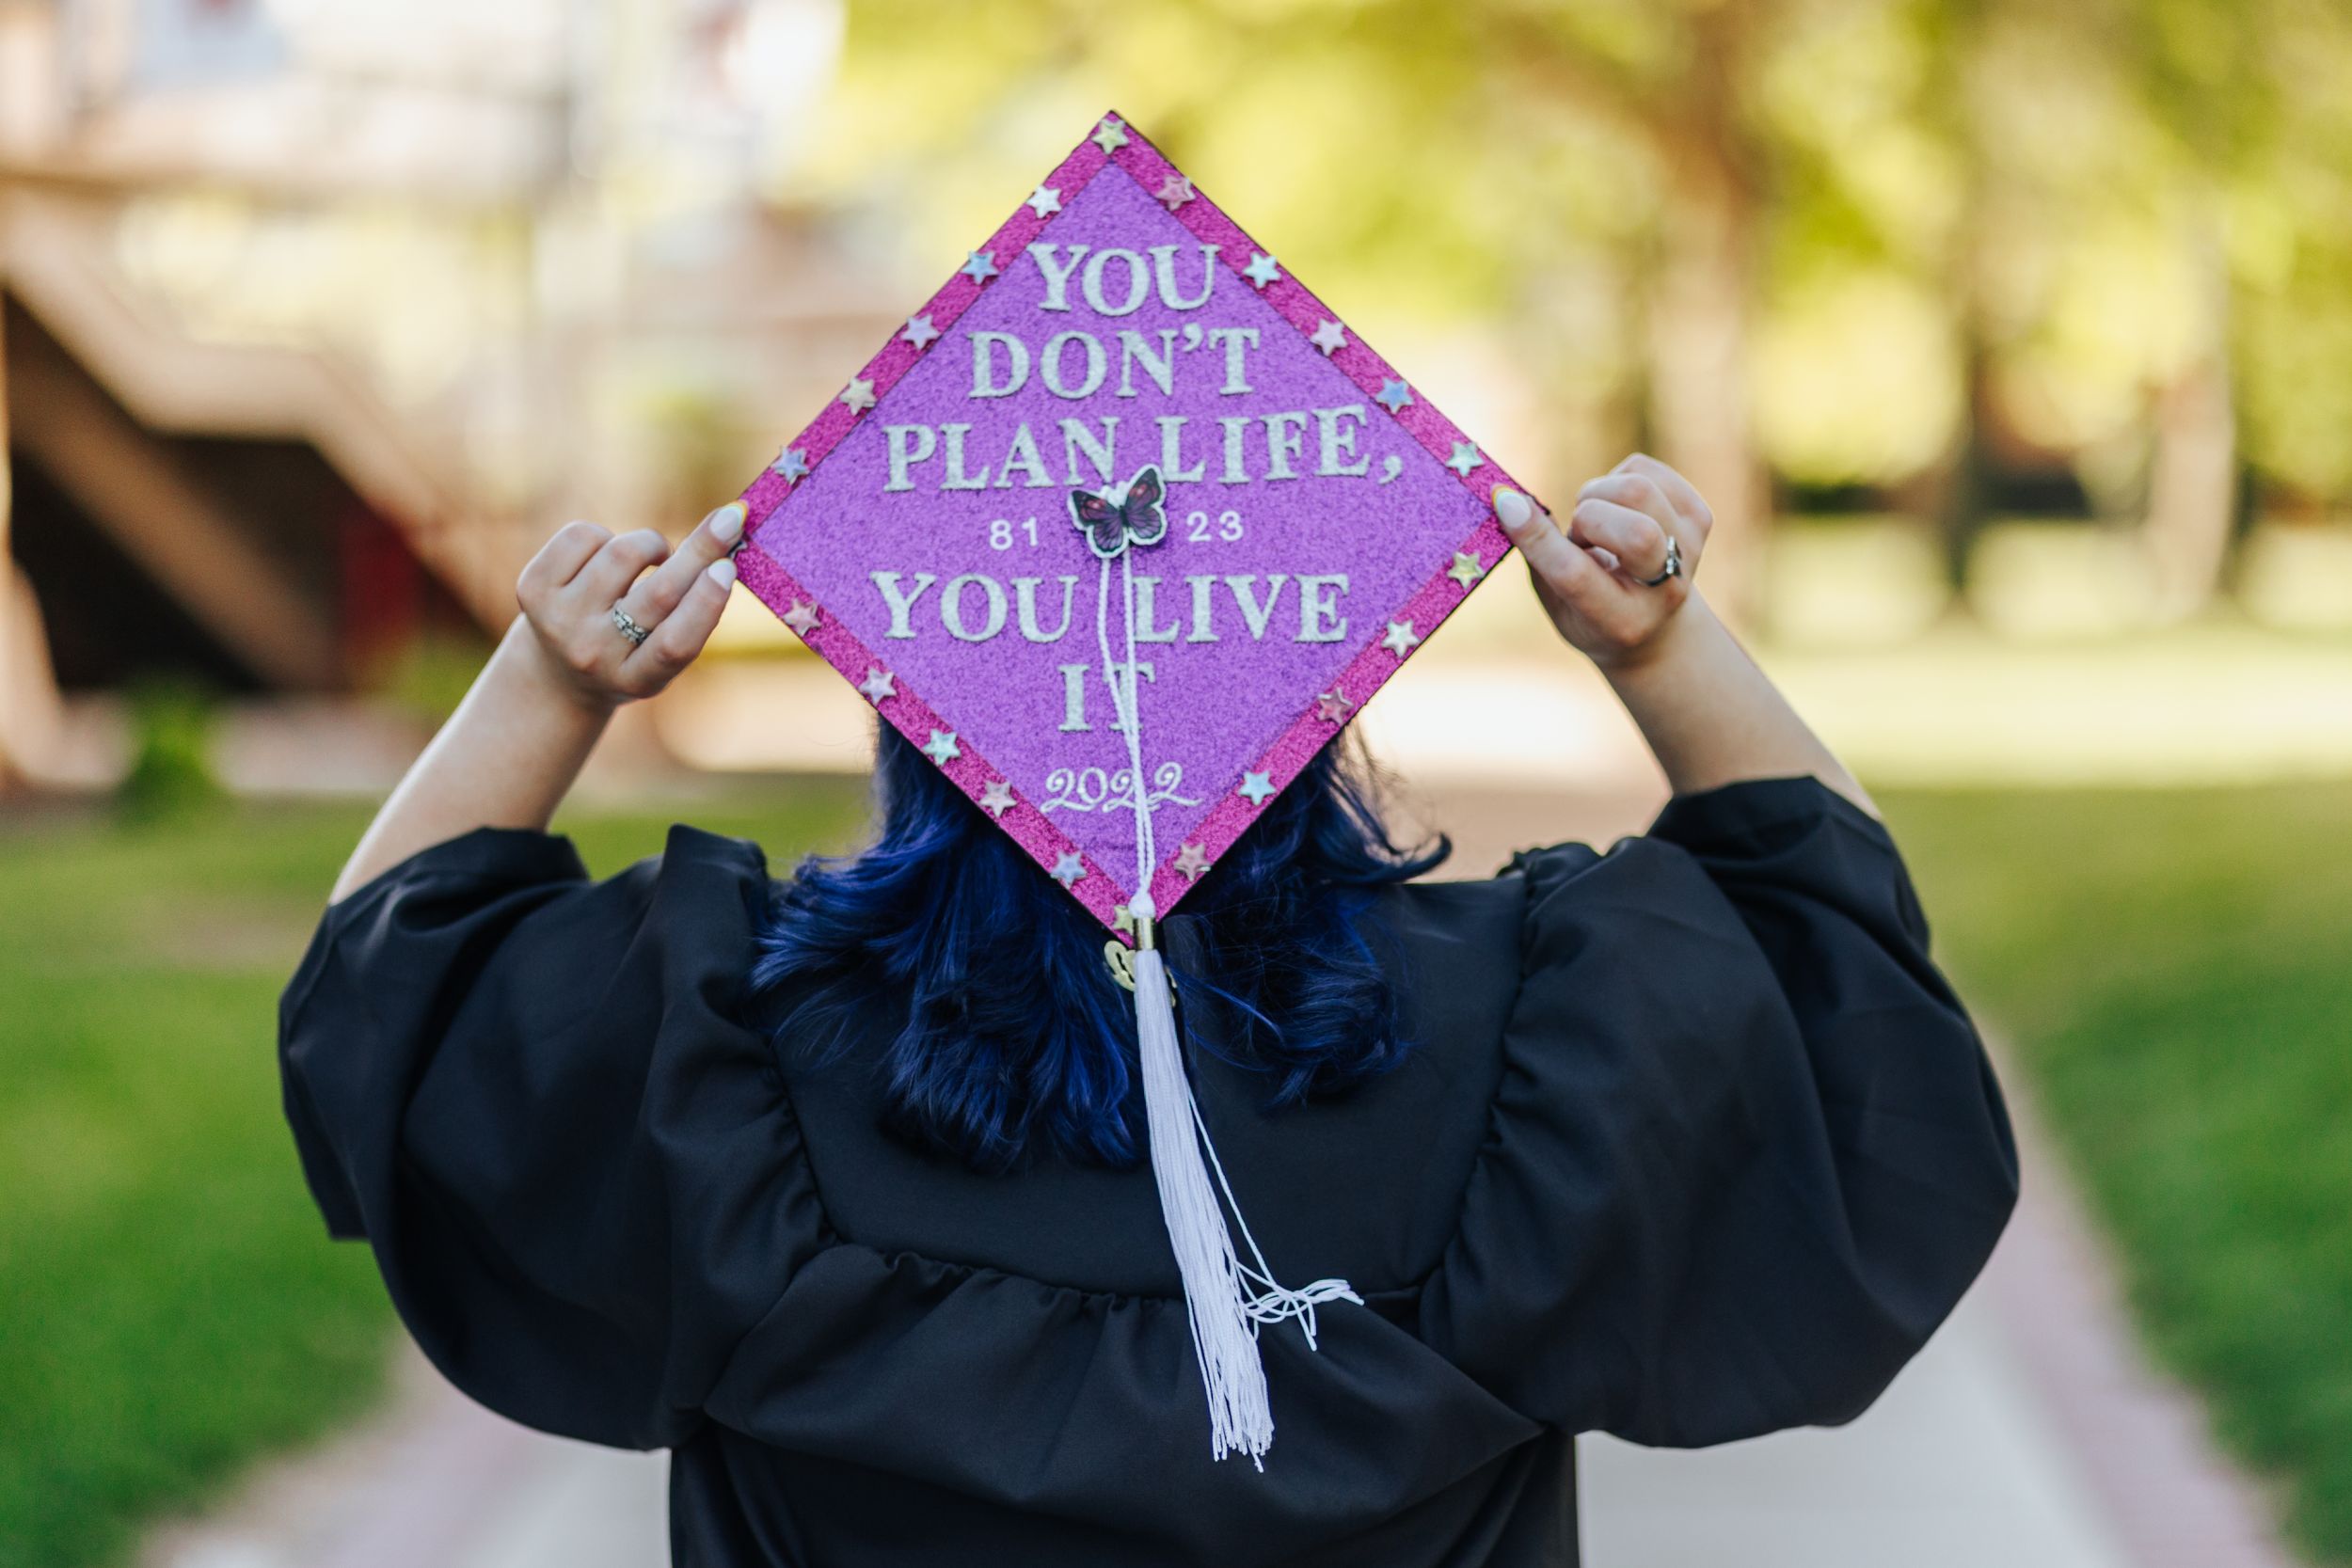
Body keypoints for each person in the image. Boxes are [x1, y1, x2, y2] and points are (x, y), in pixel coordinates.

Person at [279, 454, 2017, 1567]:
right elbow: (1846, 978)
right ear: (1311, 698)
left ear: (915, 714)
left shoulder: (747, 1052)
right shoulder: (1513, 1039)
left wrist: (551, 680)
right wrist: (1662, 650)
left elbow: (389, 998)